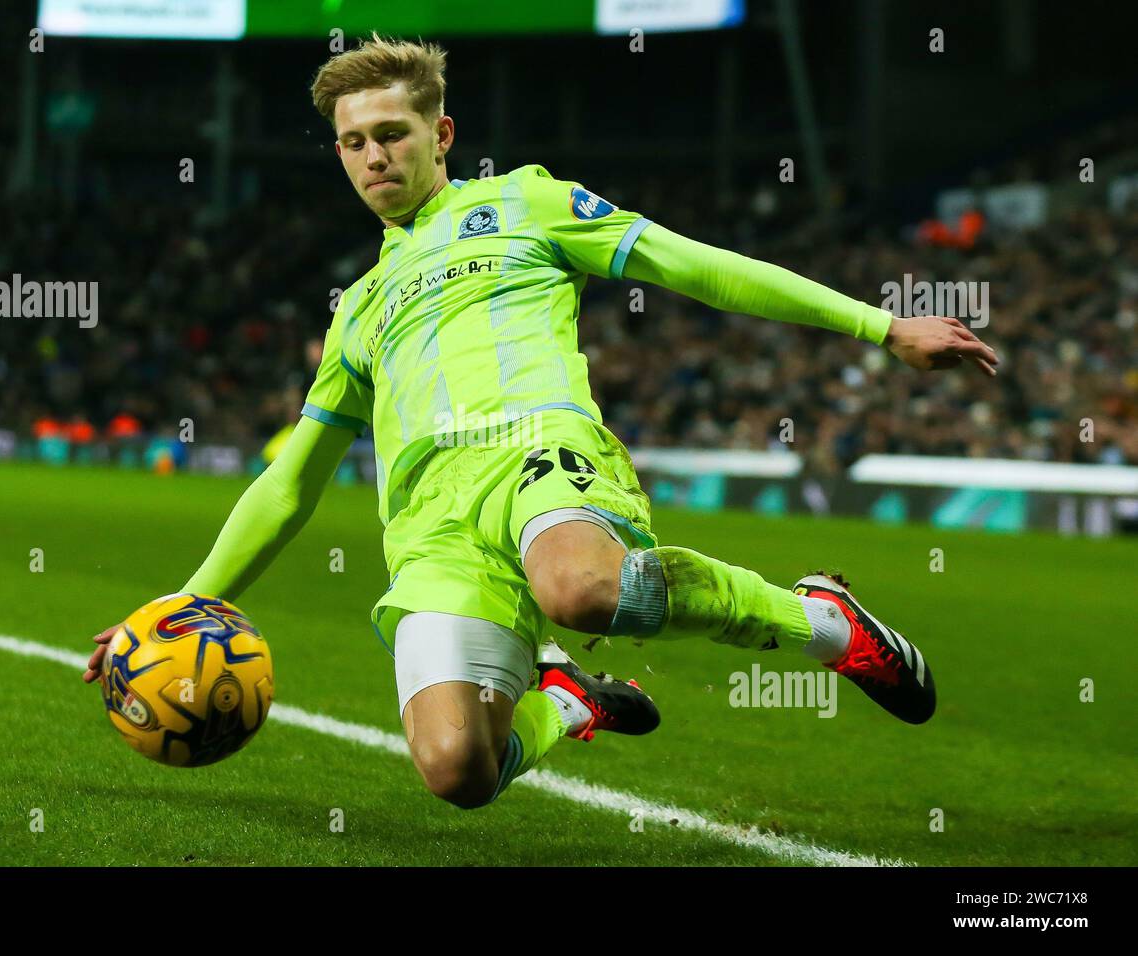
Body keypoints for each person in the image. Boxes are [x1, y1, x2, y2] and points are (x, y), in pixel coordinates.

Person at [84, 34, 998, 810]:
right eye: (353, 142)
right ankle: (567, 702)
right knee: (457, 771)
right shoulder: (355, 310)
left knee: (579, 590)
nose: (373, 157)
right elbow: (290, 482)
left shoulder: (525, 201)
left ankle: (823, 623)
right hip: (431, 528)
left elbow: (695, 265)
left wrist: (878, 325)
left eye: (392, 134)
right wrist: (183, 602)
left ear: (440, 135)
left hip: (536, 453)